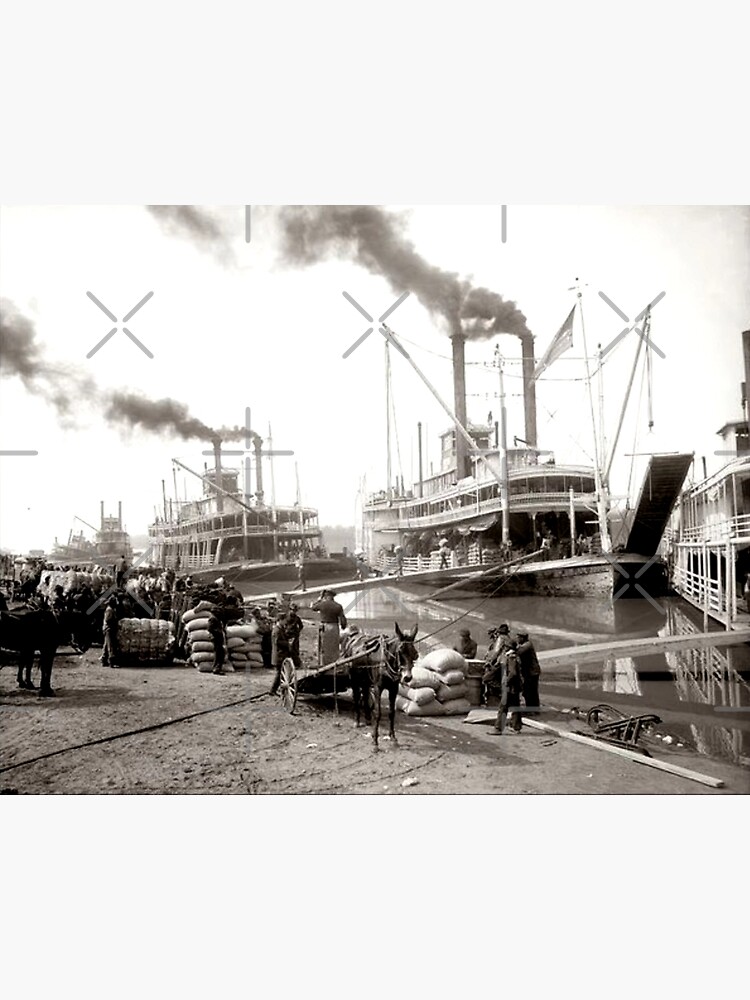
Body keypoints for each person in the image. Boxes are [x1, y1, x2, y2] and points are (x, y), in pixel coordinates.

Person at [483, 640, 521, 734]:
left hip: (509, 687)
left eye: (505, 647)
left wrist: (506, 682)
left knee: (503, 708)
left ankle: (498, 729)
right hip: (515, 687)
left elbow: (513, 673)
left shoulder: (511, 658)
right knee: (516, 707)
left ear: (507, 647)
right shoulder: (515, 656)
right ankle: (516, 727)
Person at [311, 589, 347, 665]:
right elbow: (343, 619)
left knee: (324, 646)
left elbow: (313, 607)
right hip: (334, 627)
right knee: (334, 645)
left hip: (325, 627)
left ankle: (323, 663)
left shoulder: (322, 604)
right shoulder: (338, 606)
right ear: (333, 597)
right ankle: (334, 662)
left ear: (325, 596)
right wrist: (343, 626)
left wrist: (319, 599)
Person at [516, 631, 541, 719]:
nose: (517, 639)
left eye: (519, 637)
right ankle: (532, 709)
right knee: (529, 691)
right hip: (529, 672)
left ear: (523, 638)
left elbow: (518, 652)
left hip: (532, 672)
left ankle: (532, 710)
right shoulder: (525, 644)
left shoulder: (527, 645)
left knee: (530, 691)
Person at [269, 612, 296, 696]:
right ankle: (272, 690)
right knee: (279, 673)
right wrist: (288, 644)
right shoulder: (277, 630)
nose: (285, 622)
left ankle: (276, 689)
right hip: (279, 654)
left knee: (280, 672)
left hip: (281, 654)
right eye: (284, 620)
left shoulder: (280, 628)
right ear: (280, 620)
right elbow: (277, 642)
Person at [101, 596, 119, 667]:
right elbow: (108, 620)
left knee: (106, 645)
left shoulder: (110, 609)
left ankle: (104, 660)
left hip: (107, 629)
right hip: (109, 629)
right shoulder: (110, 610)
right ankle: (112, 662)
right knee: (110, 646)